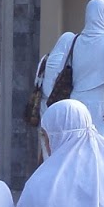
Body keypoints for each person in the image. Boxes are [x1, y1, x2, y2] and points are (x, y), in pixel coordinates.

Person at [70, 0, 104, 143]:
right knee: (101, 146)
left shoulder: (76, 40)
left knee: (78, 146)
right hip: (102, 102)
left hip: (77, 100)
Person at [36, 31, 77, 160]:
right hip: (59, 106)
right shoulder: (65, 62)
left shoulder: (45, 59)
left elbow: (37, 82)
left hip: (43, 105)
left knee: (45, 142)